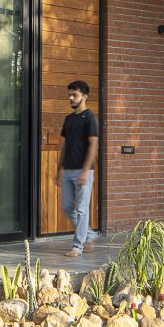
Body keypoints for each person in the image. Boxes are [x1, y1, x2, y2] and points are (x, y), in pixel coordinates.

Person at [57, 78, 99, 257]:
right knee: (67, 207)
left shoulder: (90, 118)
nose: (71, 98)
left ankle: (78, 246)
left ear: (85, 96)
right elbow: (65, 146)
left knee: (82, 210)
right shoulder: (69, 119)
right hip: (67, 171)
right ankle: (89, 235)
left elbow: (93, 145)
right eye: (69, 95)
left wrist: (84, 171)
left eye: (75, 95)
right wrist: (59, 169)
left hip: (83, 172)